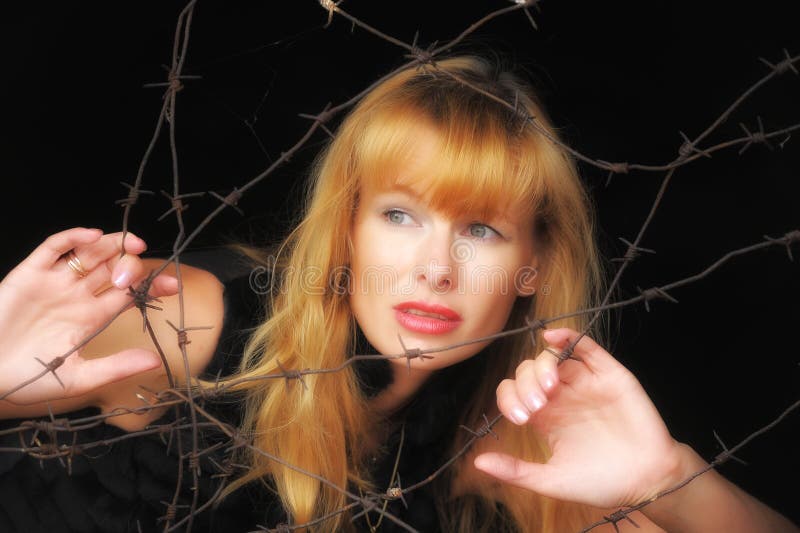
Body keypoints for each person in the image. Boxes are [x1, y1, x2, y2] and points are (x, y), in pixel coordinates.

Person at [0, 56, 796, 532]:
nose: (436, 268)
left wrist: (668, 479)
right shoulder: (196, 316)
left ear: (534, 268)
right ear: (346, 229)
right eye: (399, 214)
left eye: (481, 228)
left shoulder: (519, 449)